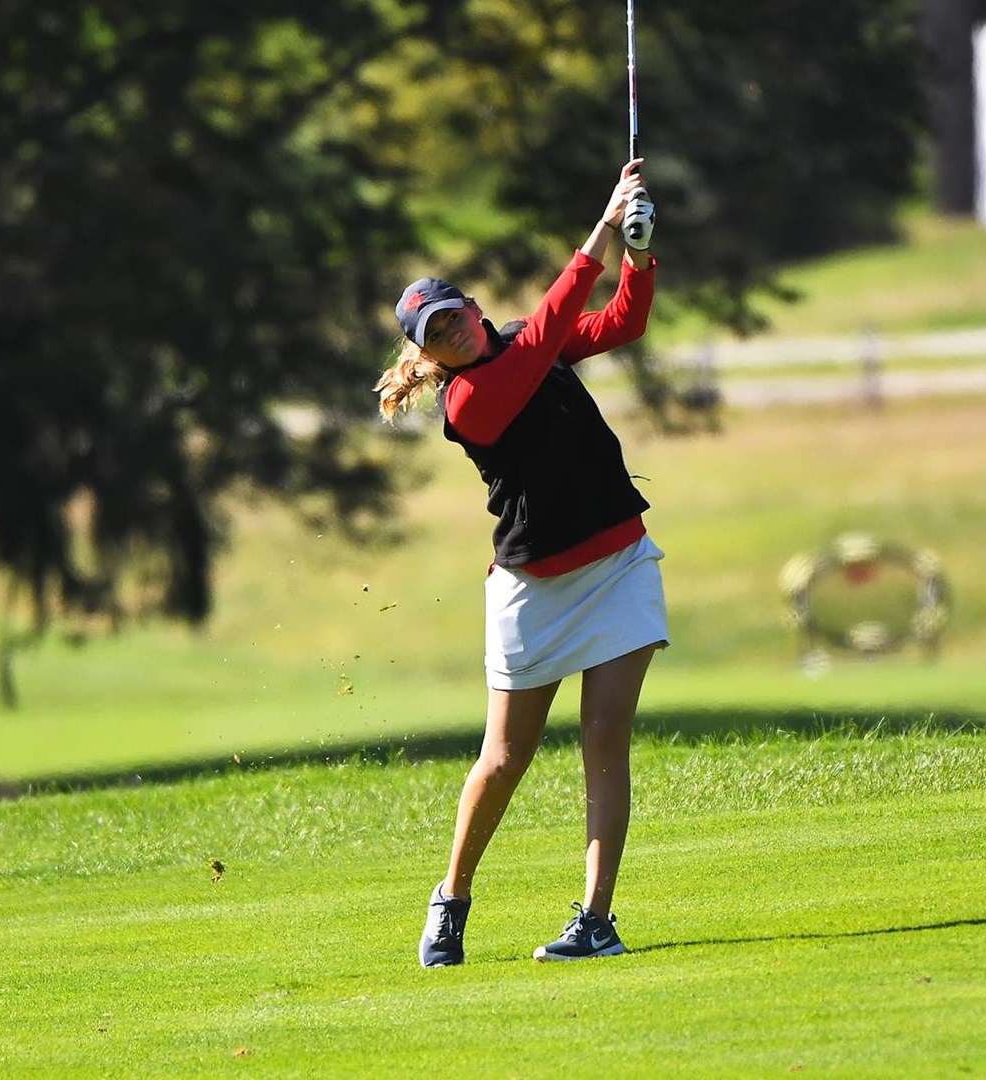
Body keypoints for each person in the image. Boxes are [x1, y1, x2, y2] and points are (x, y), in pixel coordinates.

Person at [375, 159, 661, 966]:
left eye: (453, 317)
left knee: (605, 738)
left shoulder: (519, 344)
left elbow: (620, 325)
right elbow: (543, 337)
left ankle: (595, 920)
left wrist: (638, 253)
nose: (453, 334)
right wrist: (602, 228)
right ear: (427, 352)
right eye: (435, 335)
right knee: (505, 758)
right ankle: (452, 898)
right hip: (534, 589)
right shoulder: (469, 403)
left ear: (471, 307)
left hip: (619, 561)